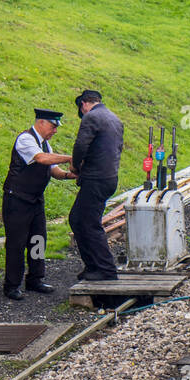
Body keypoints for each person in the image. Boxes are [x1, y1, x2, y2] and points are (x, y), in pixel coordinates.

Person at [2, 108, 74, 301]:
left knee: (38, 240)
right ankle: (12, 285)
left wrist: (70, 175)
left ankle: (35, 278)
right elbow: (41, 159)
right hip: (17, 199)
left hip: (35, 200)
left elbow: (53, 170)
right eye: (53, 126)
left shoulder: (45, 144)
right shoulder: (26, 140)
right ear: (41, 122)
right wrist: (70, 158)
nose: (55, 131)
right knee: (16, 243)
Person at [69, 89, 124, 281]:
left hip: (96, 179)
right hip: (109, 178)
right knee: (78, 219)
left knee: (87, 223)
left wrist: (76, 166)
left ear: (84, 104)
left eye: (81, 109)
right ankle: (93, 266)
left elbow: (81, 145)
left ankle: (105, 268)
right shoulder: (114, 119)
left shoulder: (92, 117)